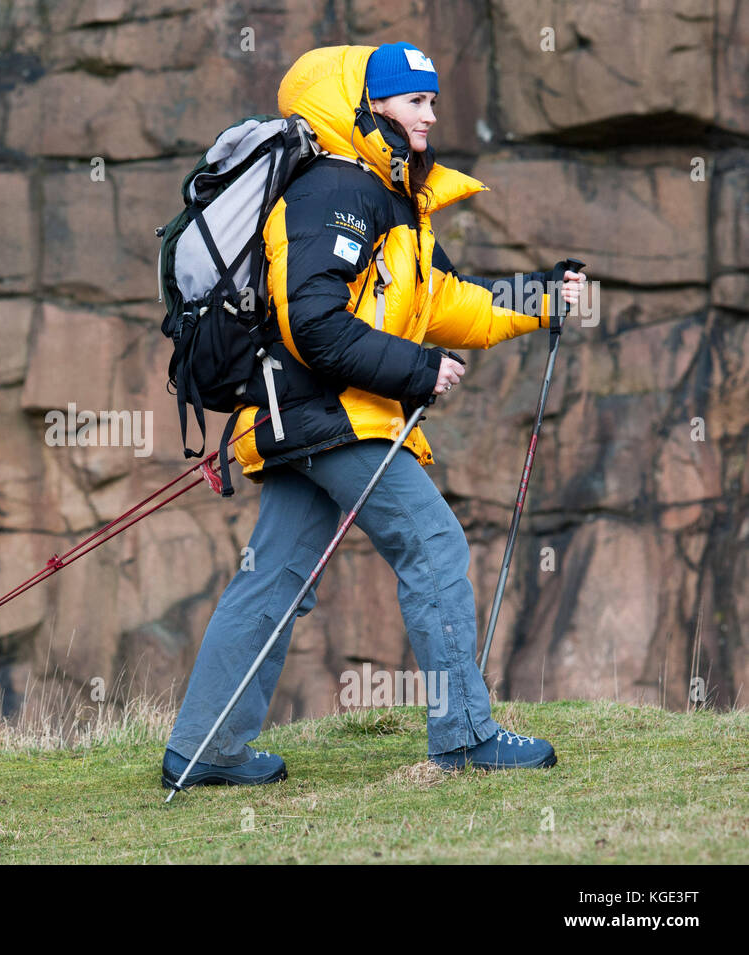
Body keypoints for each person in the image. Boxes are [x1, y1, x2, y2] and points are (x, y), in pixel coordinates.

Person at [162, 42, 587, 788]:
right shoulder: (336, 188)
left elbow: (454, 303)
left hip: (299, 420)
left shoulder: (388, 199)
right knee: (433, 541)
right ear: (374, 106)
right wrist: (420, 368)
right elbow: (315, 324)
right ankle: (465, 735)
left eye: (431, 102)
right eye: (415, 102)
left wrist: (543, 296)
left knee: (274, 575)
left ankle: (207, 749)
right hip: (330, 415)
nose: (430, 116)